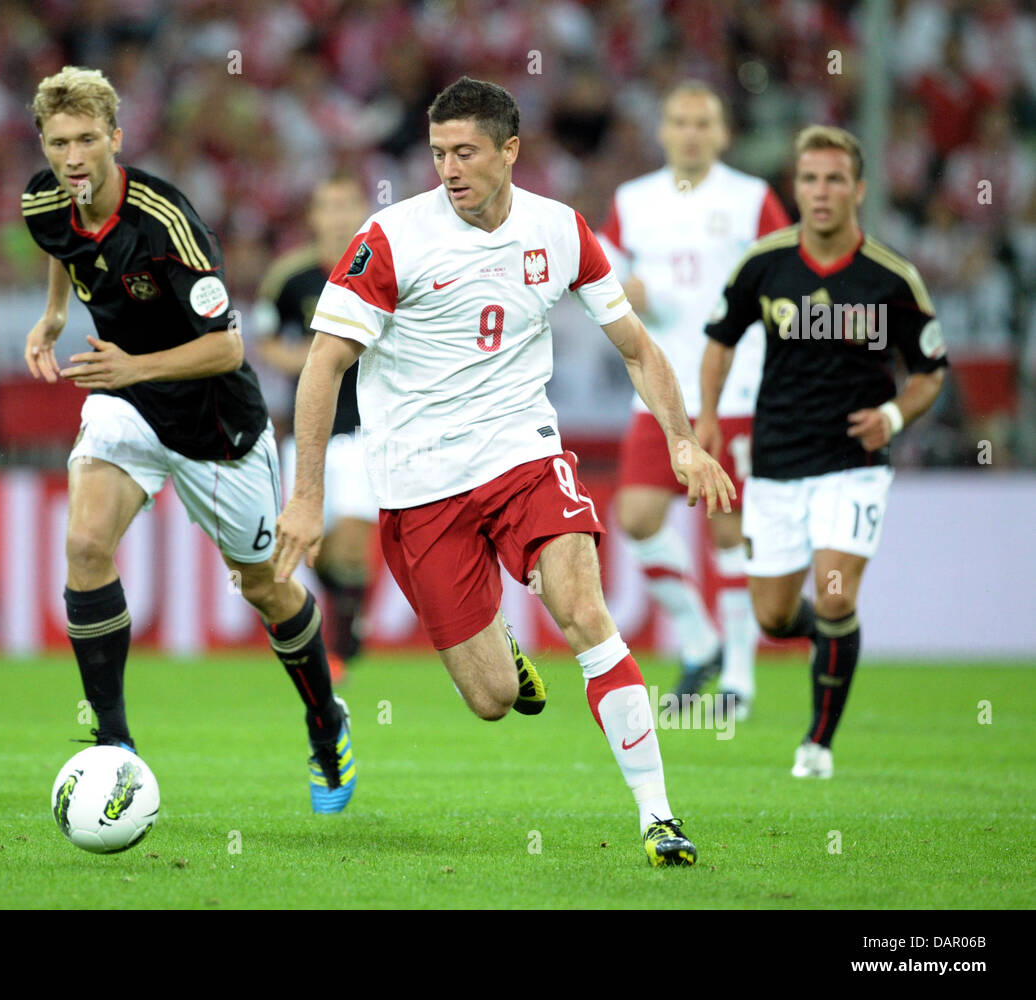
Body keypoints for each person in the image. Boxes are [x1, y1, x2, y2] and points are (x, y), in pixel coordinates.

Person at [274, 77, 735, 866]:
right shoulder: (391, 237)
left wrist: (683, 440)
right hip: (418, 484)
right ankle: (500, 647)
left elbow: (637, 347)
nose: (449, 168)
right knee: (490, 700)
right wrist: (307, 498)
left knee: (585, 610)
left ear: (510, 151)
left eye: (466, 152)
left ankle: (658, 816)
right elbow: (323, 365)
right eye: (438, 153)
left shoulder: (561, 231)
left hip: (522, 452)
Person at [21, 66, 354, 813]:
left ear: (116, 137)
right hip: (125, 402)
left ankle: (324, 719)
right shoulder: (43, 198)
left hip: (215, 425)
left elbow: (230, 348)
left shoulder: (167, 221)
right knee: (84, 547)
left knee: (265, 586)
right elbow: (61, 246)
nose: (72, 158)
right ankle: (114, 743)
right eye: (57, 143)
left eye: (85, 141)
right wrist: (50, 315)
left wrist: (133, 363)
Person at [699, 125, 948, 779]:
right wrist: (707, 420)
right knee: (775, 616)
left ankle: (817, 742)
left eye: (834, 179)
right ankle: (830, 642)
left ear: (858, 189)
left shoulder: (891, 279)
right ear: (797, 187)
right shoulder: (765, 264)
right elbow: (720, 339)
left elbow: (930, 370)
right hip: (777, 460)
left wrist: (894, 414)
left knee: (835, 594)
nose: (820, 191)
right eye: (809, 178)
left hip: (852, 467)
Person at [598, 81, 791, 717]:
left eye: (702, 122)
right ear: (662, 130)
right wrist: (628, 292)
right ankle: (700, 637)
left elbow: (788, 273)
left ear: (722, 133)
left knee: (728, 524)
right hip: (656, 386)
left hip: (736, 383)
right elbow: (601, 273)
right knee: (637, 517)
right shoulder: (633, 200)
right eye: (679, 120)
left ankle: (738, 675)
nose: (690, 132)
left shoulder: (751, 199)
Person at [255, 173, 376, 673]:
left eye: (348, 204)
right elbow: (263, 339)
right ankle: (348, 621)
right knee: (313, 545)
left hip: (367, 428)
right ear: (314, 217)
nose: (339, 215)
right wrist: (311, 361)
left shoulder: (382, 268)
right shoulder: (290, 277)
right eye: (329, 206)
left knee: (351, 538)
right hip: (307, 430)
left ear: (364, 210)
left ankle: (341, 646)